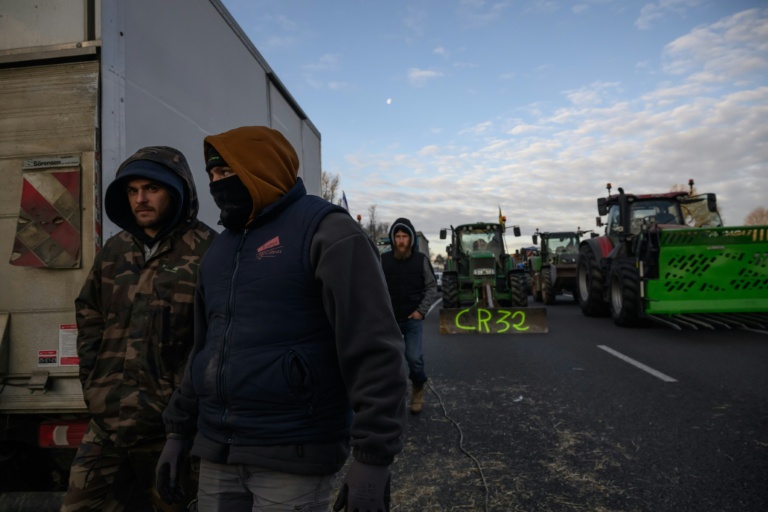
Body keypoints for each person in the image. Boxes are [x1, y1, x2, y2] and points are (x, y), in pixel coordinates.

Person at [156, 126, 407, 512]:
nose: (217, 184)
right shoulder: (219, 251)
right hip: (217, 452)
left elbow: (373, 347)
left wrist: (373, 457)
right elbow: (205, 350)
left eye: (227, 172)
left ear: (261, 168)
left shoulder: (327, 231)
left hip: (294, 450)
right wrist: (178, 429)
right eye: (212, 176)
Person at [62, 147, 218, 512]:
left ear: (177, 192)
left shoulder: (209, 252)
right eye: (132, 191)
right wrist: (94, 382)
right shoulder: (116, 251)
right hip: (107, 424)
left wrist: (185, 405)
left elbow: (217, 340)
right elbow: (89, 314)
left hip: (172, 432)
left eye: (151, 189)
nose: (140, 199)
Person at [380, 218, 439, 415]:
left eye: (405, 236)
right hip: (390, 321)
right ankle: (393, 397)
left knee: (414, 358)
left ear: (411, 239)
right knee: (389, 360)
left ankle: (418, 387)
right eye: (397, 236)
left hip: (412, 319)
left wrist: (421, 311)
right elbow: (374, 287)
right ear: (392, 239)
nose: (401, 240)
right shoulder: (383, 260)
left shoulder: (421, 260)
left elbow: (431, 287)